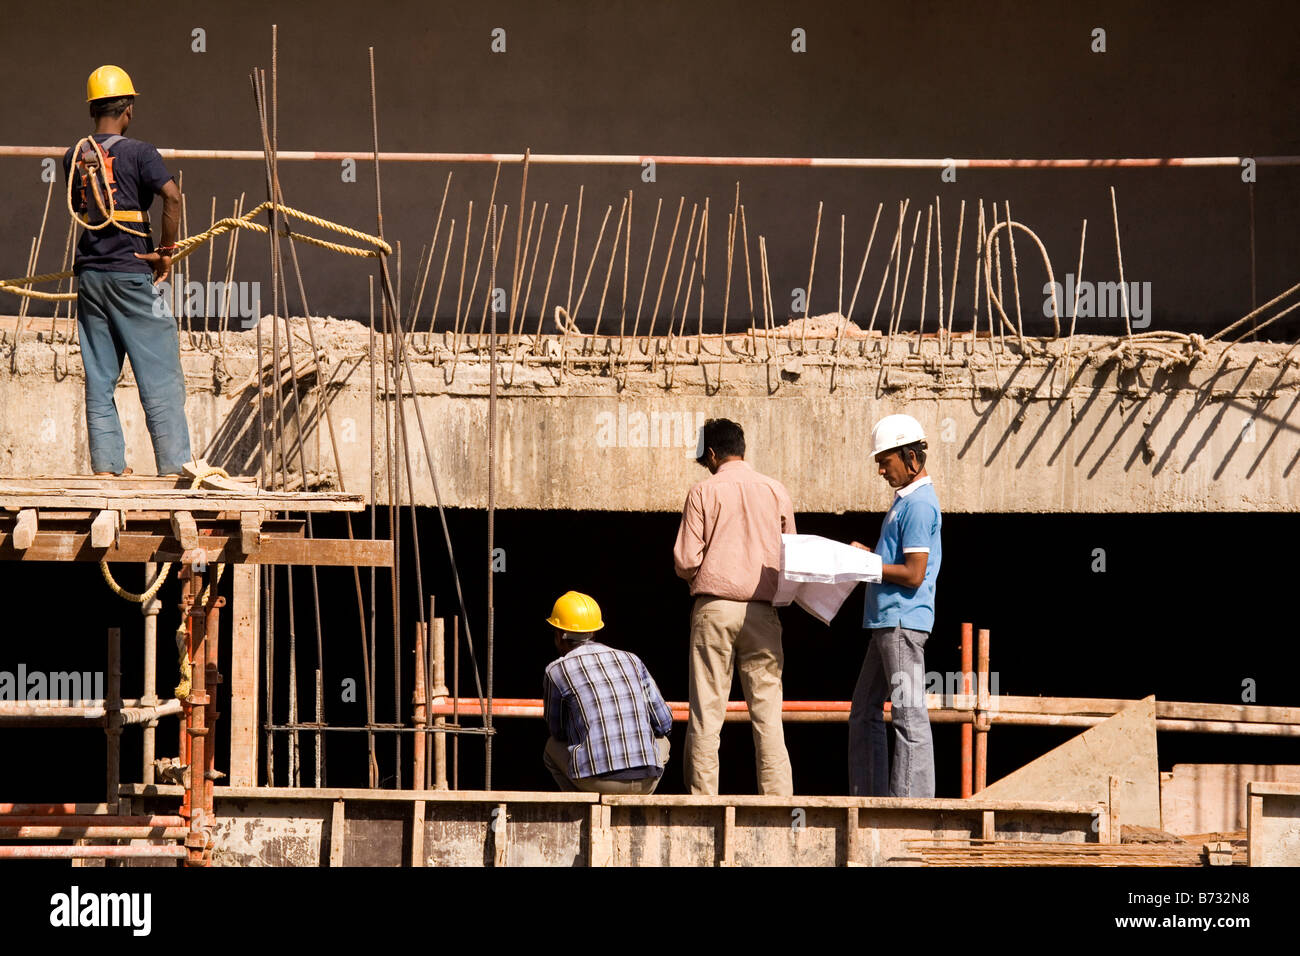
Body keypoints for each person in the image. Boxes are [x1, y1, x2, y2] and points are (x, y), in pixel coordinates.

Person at [64, 65, 192, 477]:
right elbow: (172, 197)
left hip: (90, 277)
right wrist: (166, 252)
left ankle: (106, 469)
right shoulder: (141, 152)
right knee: (160, 374)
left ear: (92, 109)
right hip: (132, 273)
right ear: (129, 109)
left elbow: (84, 208)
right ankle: (175, 469)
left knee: (100, 376)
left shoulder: (74, 155)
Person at [673, 418, 795, 795]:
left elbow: (686, 560)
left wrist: (700, 577)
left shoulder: (703, 492)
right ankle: (778, 803)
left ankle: (703, 804)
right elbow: (792, 556)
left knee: (707, 714)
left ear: (711, 454)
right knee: (768, 715)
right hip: (762, 612)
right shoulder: (776, 491)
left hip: (714, 610)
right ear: (741, 448)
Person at [848, 414, 943, 798]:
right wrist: (870, 556)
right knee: (864, 711)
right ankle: (869, 797)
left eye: (885, 463)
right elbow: (898, 561)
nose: (882, 471)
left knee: (908, 714)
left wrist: (869, 564)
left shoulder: (918, 506)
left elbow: (914, 573)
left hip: (901, 623)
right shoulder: (905, 502)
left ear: (909, 457)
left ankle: (910, 804)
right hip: (887, 622)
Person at [542, 591, 673, 794]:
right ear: (594, 632)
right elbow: (664, 723)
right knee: (663, 742)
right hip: (647, 780)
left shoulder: (556, 670)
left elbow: (557, 731)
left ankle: (582, 811)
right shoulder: (632, 660)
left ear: (559, 635)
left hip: (596, 783)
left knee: (551, 748)